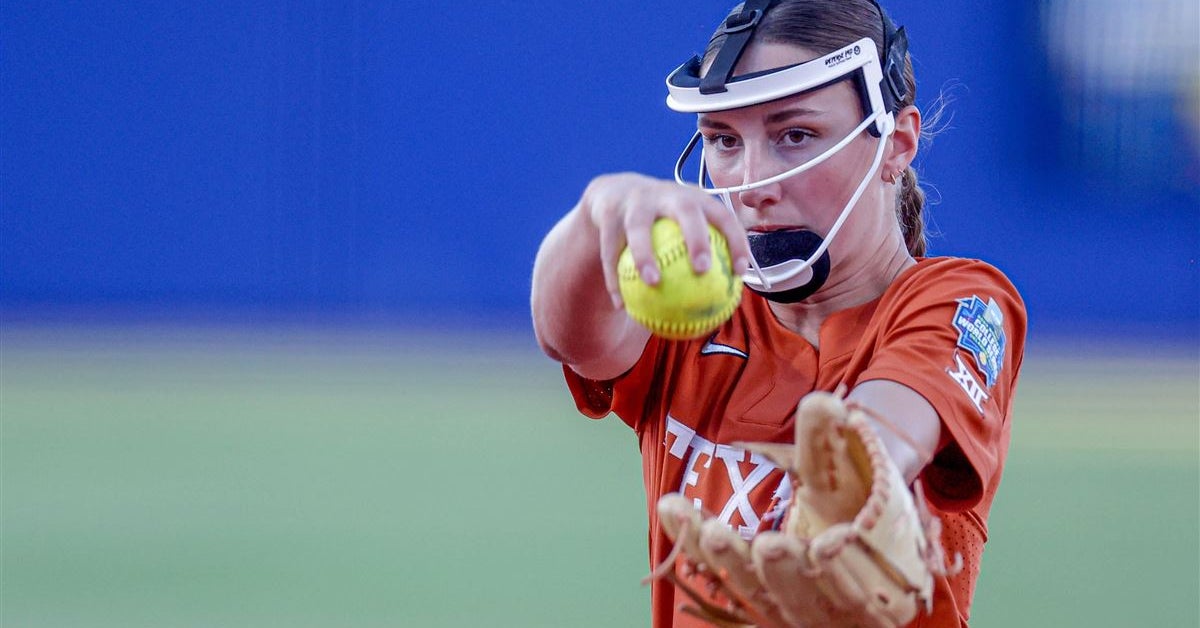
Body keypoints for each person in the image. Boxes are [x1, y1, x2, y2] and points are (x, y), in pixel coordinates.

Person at [530, 0, 1026, 626]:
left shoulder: (957, 299)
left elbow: (878, 443)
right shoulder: (704, 312)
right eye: (724, 140)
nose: (753, 181)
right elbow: (564, 333)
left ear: (897, 143)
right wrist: (596, 211)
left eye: (795, 135)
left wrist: (847, 500)